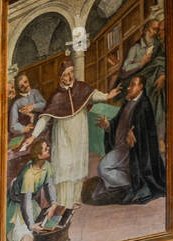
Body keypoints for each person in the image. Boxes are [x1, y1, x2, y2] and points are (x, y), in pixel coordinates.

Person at [20, 61, 120, 209]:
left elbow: (93, 96)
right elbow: (45, 118)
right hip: (63, 135)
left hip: (79, 131)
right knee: (65, 163)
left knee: (78, 163)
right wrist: (33, 136)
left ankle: (75, 198)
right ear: (61, 78)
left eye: (71, 72)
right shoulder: (56, 96)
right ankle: (63, 202)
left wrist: (106, 96)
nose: (70, 76)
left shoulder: (81, 87)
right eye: (66, 74)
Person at [87, 74, 166, 205]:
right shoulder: (127, 103)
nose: (129, 88)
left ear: (141, 87)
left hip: (133, 152)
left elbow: (147, 134)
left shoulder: (144, 106)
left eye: (133, 85)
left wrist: (135, 133)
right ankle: (130, 181)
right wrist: (107, 125)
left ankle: (134, 183)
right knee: (102, 168)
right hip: (121, 149)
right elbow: (117, 123)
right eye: (129, 85)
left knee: (103, 169)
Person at [5, 139, 57, 241]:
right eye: (45, 149)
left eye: (47, 147)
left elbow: (50, 185)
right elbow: (26, 202)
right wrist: (31, 225)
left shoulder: (47, 165)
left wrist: (53, 204)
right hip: (17, 206)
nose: (48, 149)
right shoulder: (29, 175)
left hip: (29, 202)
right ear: (39, 155)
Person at [9, 73, 46, 141]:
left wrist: (33, 106)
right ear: (19, 89)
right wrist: (24, 128)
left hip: (40, 124)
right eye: (22, 86)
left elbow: (44, 104)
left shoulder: (35, 92)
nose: (25, 86)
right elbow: (13, 124)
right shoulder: (17, 102)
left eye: (26, 82)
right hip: (27, 130)